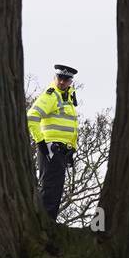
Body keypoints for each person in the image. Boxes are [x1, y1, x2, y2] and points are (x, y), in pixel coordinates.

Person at [28, 64, 79, 220]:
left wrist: (71, 150)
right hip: (52, 148)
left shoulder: (68, 99)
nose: (62, 82)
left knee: (55, 190)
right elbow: (31, 117)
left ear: (71, 81)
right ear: (55, 78)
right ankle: (45, 225)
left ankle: (48, 223)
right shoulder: (51, 95)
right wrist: (42, 144)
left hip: (61, 151)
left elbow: (70, 128)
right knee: (50, 189)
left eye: (66, 79)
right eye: (60, 78)